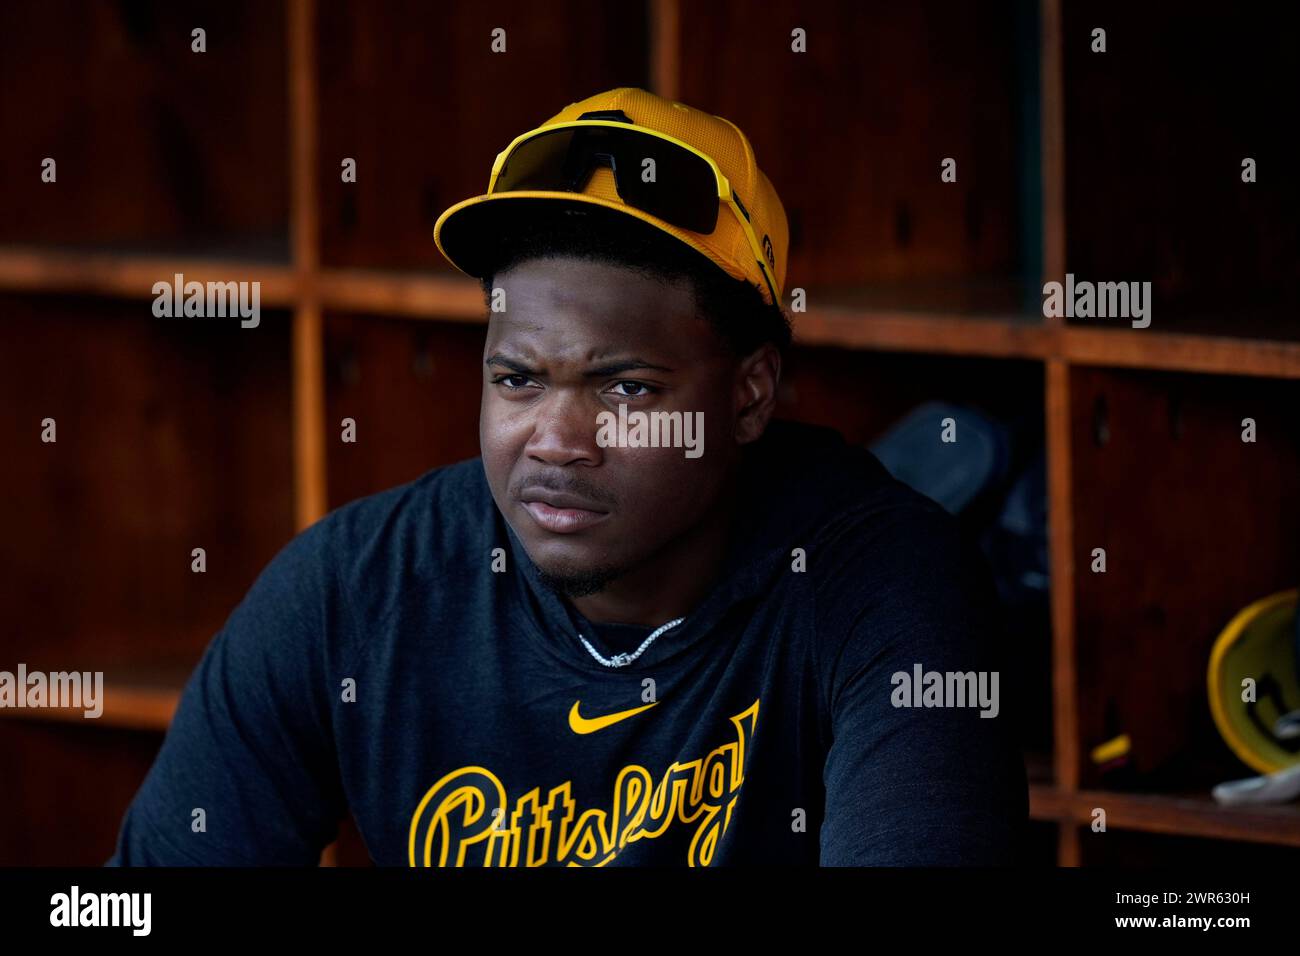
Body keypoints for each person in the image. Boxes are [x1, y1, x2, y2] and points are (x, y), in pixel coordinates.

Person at [108, 87, 1027, 867]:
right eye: (517, 379)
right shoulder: (355, 590)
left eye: (625, 386)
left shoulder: (886, 584)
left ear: (750, 394)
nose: (554, 440)